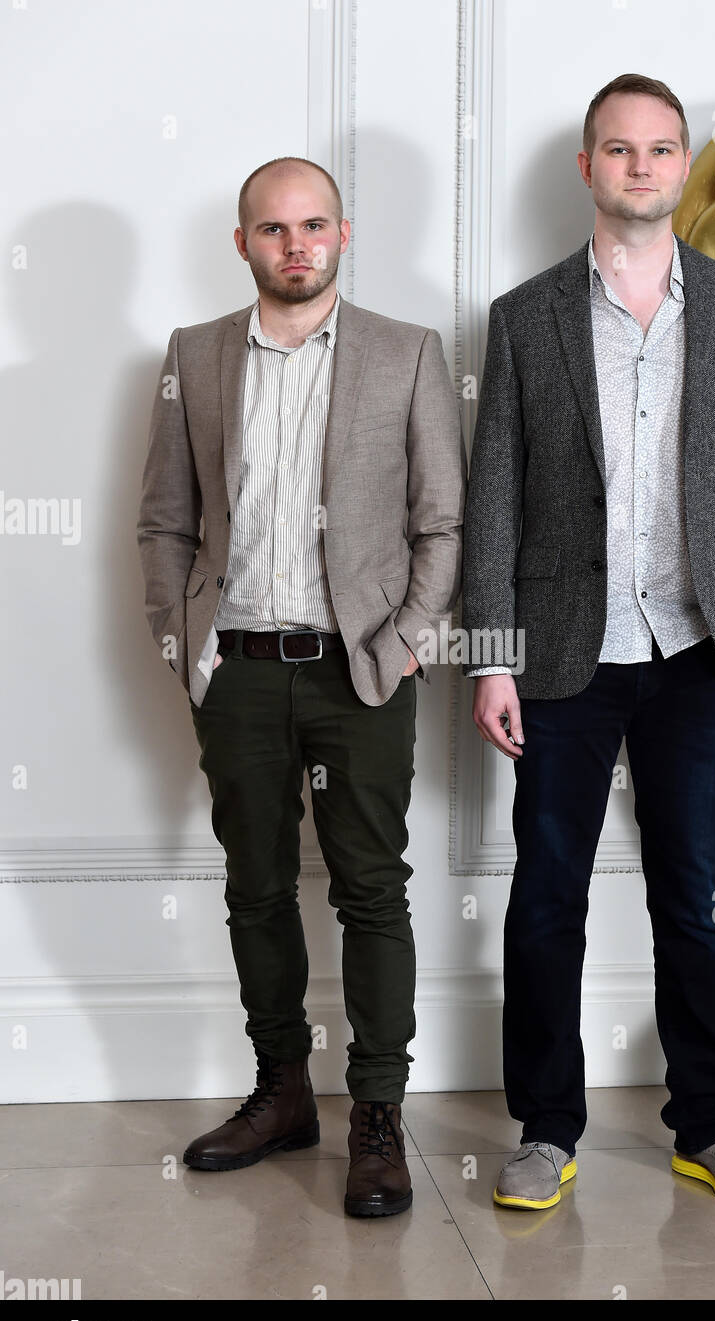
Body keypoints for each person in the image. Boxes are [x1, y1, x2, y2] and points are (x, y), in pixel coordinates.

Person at [462, 74, 715, 1210]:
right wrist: (494, 656)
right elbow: (495, 497)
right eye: (620, 150)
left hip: (700, 651)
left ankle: (707, 1124)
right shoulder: (525, 318)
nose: (642, 167)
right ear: (589, 168)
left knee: (693, 895)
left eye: (661, 149)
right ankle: (546, 1129)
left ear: (686, 164)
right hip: (565, 649)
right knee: (548, 894)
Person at [138, 156, 465, 1217]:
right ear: (243, 243)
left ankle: (378, 1114)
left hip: (358, 668)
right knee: (257, 885)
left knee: (372, 888)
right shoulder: (194, 355)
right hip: (237, 668)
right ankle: (282, 1092)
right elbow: (165, 520)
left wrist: (410, 638)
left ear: (344, 232)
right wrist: (181, 640)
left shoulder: (407, 353)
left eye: (314, 224)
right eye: (273, 228)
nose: (296, 244)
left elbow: (442, 523)